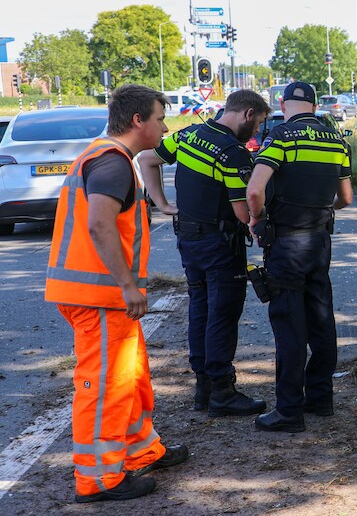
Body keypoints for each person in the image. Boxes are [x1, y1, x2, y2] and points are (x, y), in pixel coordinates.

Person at [46, 84, 189, 503]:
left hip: (100, 295)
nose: (165, 128)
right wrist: (128, 285)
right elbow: (99, 224)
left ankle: (140, 450)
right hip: (100, 296)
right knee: (107, 385)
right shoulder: (112, 162)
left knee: (130, 376)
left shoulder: (108, 157)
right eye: (160, 119)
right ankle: (98, 479)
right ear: (138, 121)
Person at [140, 89, 271, 417]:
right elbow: (242, 213)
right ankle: (223, 391)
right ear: (248, 114)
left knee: (200, 307)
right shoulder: (233, 153)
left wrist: (162, 204)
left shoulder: (188, 135)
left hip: (189, 239)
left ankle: (204, 388)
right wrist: (262, 217)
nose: (256, 131)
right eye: (258, 123)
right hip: (220, 245)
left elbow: (146, 160)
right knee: (223, 313)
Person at [246, 81, 353, 433]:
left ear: (282, 104)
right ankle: (320, 398)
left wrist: (257, 218)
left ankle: (289, 411)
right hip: (319, 242)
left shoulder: (280, 137)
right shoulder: (336, 141)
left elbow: (255, 190)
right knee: (321, 320)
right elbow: (346, 199)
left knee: (289, 325)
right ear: (315, 106)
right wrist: (319, 209)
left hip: (286, 244)